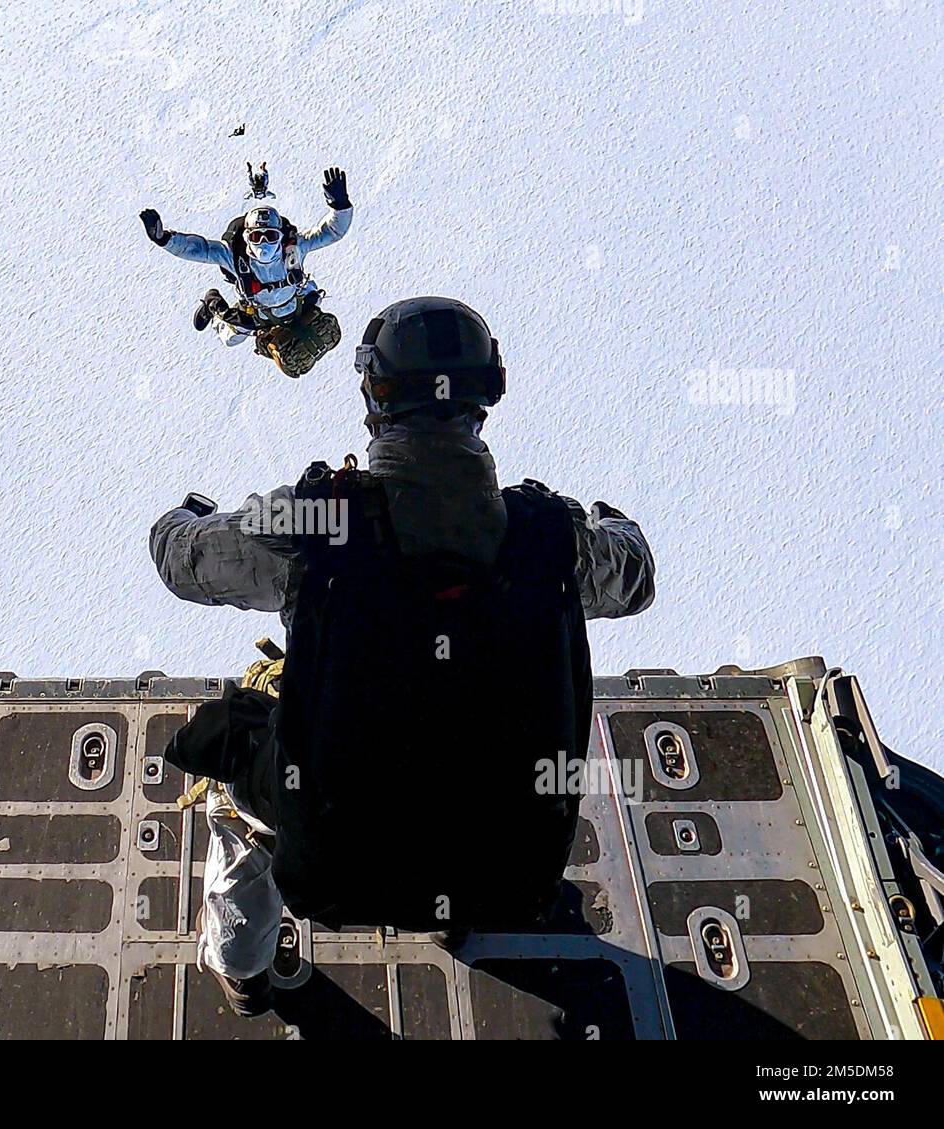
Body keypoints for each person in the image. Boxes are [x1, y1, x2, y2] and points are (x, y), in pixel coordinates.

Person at [148, 297, 656, 1016]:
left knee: (234, 790)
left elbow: (182, 563)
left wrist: (184, 515)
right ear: (486, 396)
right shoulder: (551, 538)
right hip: (506, 865)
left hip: (336, 864)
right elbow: (634, 575)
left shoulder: (319, 521)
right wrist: (605, 519)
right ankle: (453, 913)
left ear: (373, 396)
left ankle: (244, 968)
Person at [138, 168, 353, 355]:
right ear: (246, 238)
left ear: (280, 236)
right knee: (231, 338)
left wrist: (340, 207)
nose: (263, 244)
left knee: (320, 332)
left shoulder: (294, 248)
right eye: (256, 237)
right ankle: (213, 306)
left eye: (270, 236)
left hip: (296, 302)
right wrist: (165, 239)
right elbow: (197, 249)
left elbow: (331, 231)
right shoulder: (232, 256)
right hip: (256, 312)